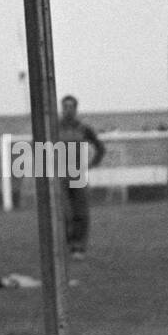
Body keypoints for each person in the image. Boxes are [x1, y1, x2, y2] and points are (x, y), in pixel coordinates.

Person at [58, 94, 105, 258]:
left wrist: (91, 164)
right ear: (61, 108)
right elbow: (37, 145)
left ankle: (78, 247)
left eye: (71, 107)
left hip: (77, 175)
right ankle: (66, 244)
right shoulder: (54, 128)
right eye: (65, 106)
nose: (68, 110)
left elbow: (100, 147)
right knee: (64, 212)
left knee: (81, 212)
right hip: (60, 176)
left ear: (76, 109)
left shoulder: (83, 129)